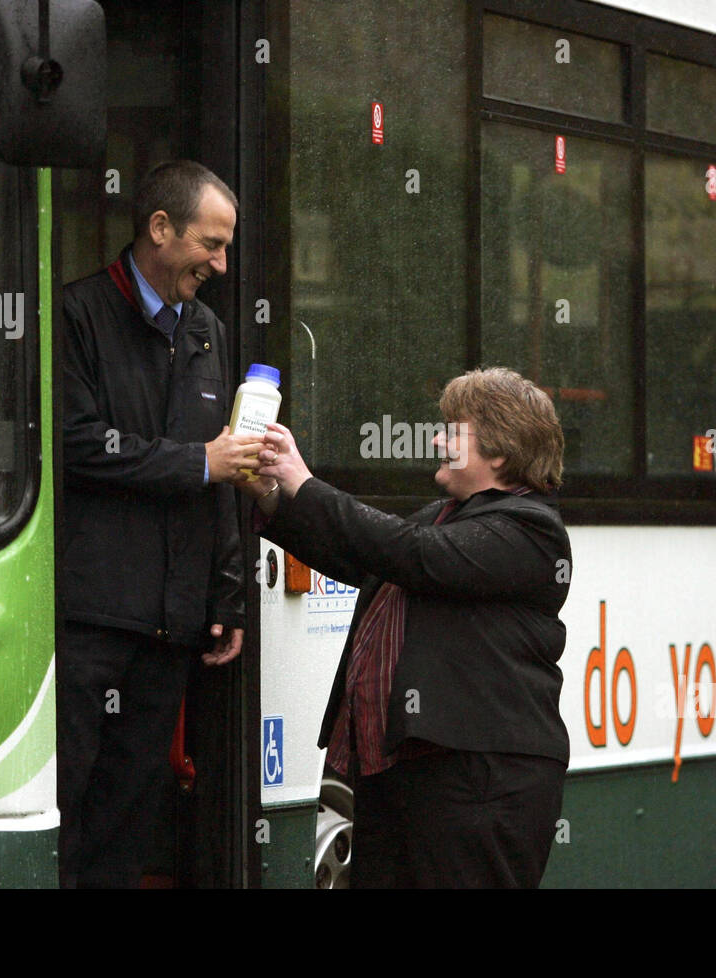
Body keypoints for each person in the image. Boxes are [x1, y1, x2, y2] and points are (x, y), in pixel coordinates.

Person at [243, 367, 571, 887]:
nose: (437, 439)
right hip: (406, 773)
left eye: (453, 430)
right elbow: (365, 554)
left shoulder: (530, 529)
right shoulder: (448, 516)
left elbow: (412, 554)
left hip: (480, 782)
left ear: (500, 451)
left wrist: (303, 482)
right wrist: (271, 497)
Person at [57, 160, 263, 888]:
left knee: (132, 811)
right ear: (159, 229)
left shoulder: (207, 329)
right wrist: (197, 463)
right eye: (211, 244)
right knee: (69, 801)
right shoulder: (75, 315)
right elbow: (75, 446)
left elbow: (225, 472)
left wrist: (228, 594)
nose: (221, 263)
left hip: (172, 624)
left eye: (226, 246)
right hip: (90, 616)